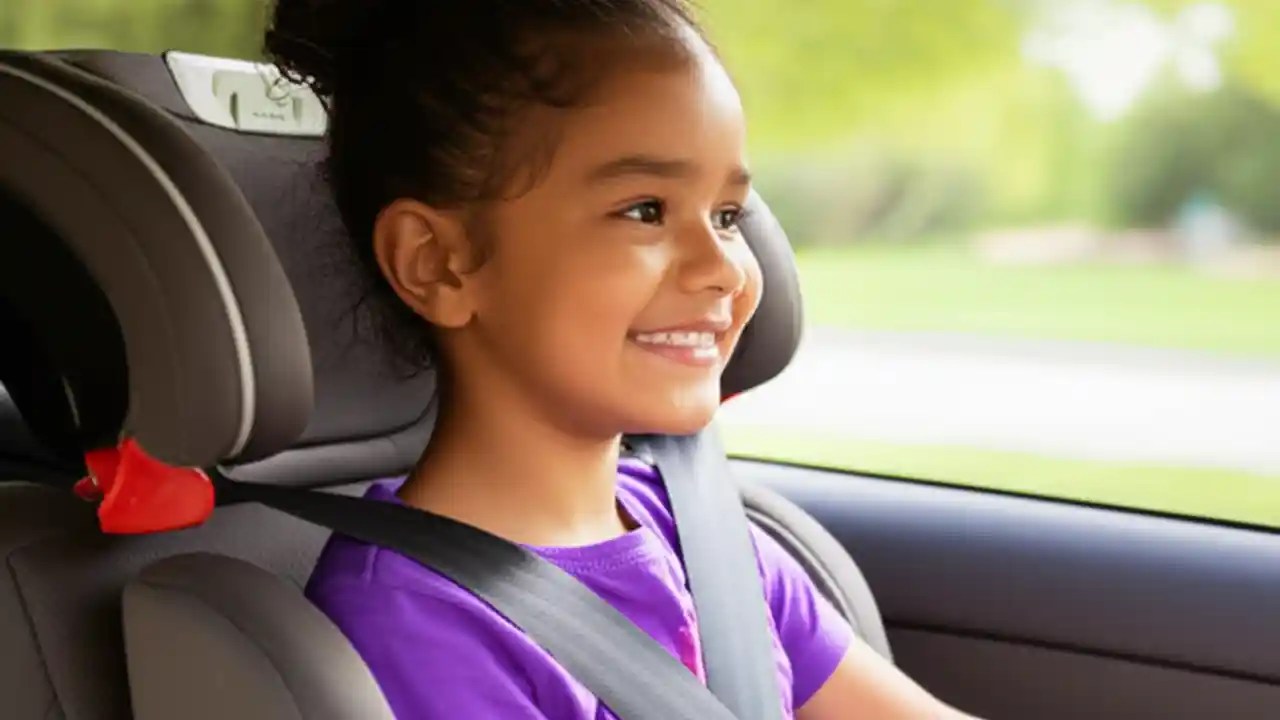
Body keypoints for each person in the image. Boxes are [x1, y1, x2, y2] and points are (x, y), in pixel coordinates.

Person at [266, 1, 979, 717]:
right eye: (645, 210)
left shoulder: (707, 542)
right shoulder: (419, 630)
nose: (723, 269)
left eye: (727, 216)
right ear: (439, 264)